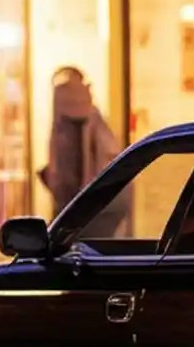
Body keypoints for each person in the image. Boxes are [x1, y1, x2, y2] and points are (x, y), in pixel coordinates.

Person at [37, 67, 127, 236]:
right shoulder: (92, 120)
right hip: (90, 203)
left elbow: (67, 170)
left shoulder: (70, 123)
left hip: (85, 205)